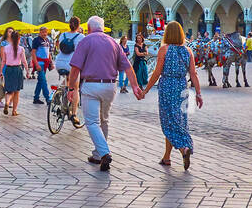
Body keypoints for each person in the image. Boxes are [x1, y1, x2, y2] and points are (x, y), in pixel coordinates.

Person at [68, 15, 143, 173]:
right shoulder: (113, 43)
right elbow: (128, 67)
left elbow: (75, 68)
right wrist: (135, 86)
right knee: (104, 120)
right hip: (110, 86)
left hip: (91, 85)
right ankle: (97, 155)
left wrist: (71, 88)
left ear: (88, 28)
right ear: (102, 27)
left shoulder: (85, 41)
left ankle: (104, 152)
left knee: (92, 122)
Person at [139, 21, 201, 169]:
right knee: (179, 121)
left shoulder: (164, 49)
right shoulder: (188, 51)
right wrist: (198, 93)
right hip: (182, 87)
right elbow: (193, 74)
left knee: (168, 122)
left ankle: (183, 149)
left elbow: (157, 72)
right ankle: (167, 157)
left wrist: (146, 90)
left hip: (167, 87)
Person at [53, 16, 86, 128]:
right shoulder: (81, 36)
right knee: (75, 88)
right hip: (72, 64)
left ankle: (60, 94)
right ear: (78, 25)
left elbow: (58, 48)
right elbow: (82, 53)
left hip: (59, 63)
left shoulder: (63, 35)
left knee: (68, 82)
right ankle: (74, 114)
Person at [0, 29, 26, 116]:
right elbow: (24, 61)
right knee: (17, 92)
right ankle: (14, 111)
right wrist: (28, 71)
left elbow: (3, 61)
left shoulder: (6, 48)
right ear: (18, 39)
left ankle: (7, 102)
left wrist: (1, 71)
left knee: (9, 90)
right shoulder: (21, 49)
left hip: (8, 70)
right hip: (17, 70)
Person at [30, 26, 52, 105]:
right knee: (43, 81)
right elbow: (33, 53)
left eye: (46, 32)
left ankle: (36, 98)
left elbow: (48, 52)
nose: (44, 34)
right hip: (40, 63)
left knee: (40, 81)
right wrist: (36, 64)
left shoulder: (47, 40)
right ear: (40, 32)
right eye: (43, 32)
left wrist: (51, 62)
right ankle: (48, 98)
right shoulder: (36, 40)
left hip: (45, 63)